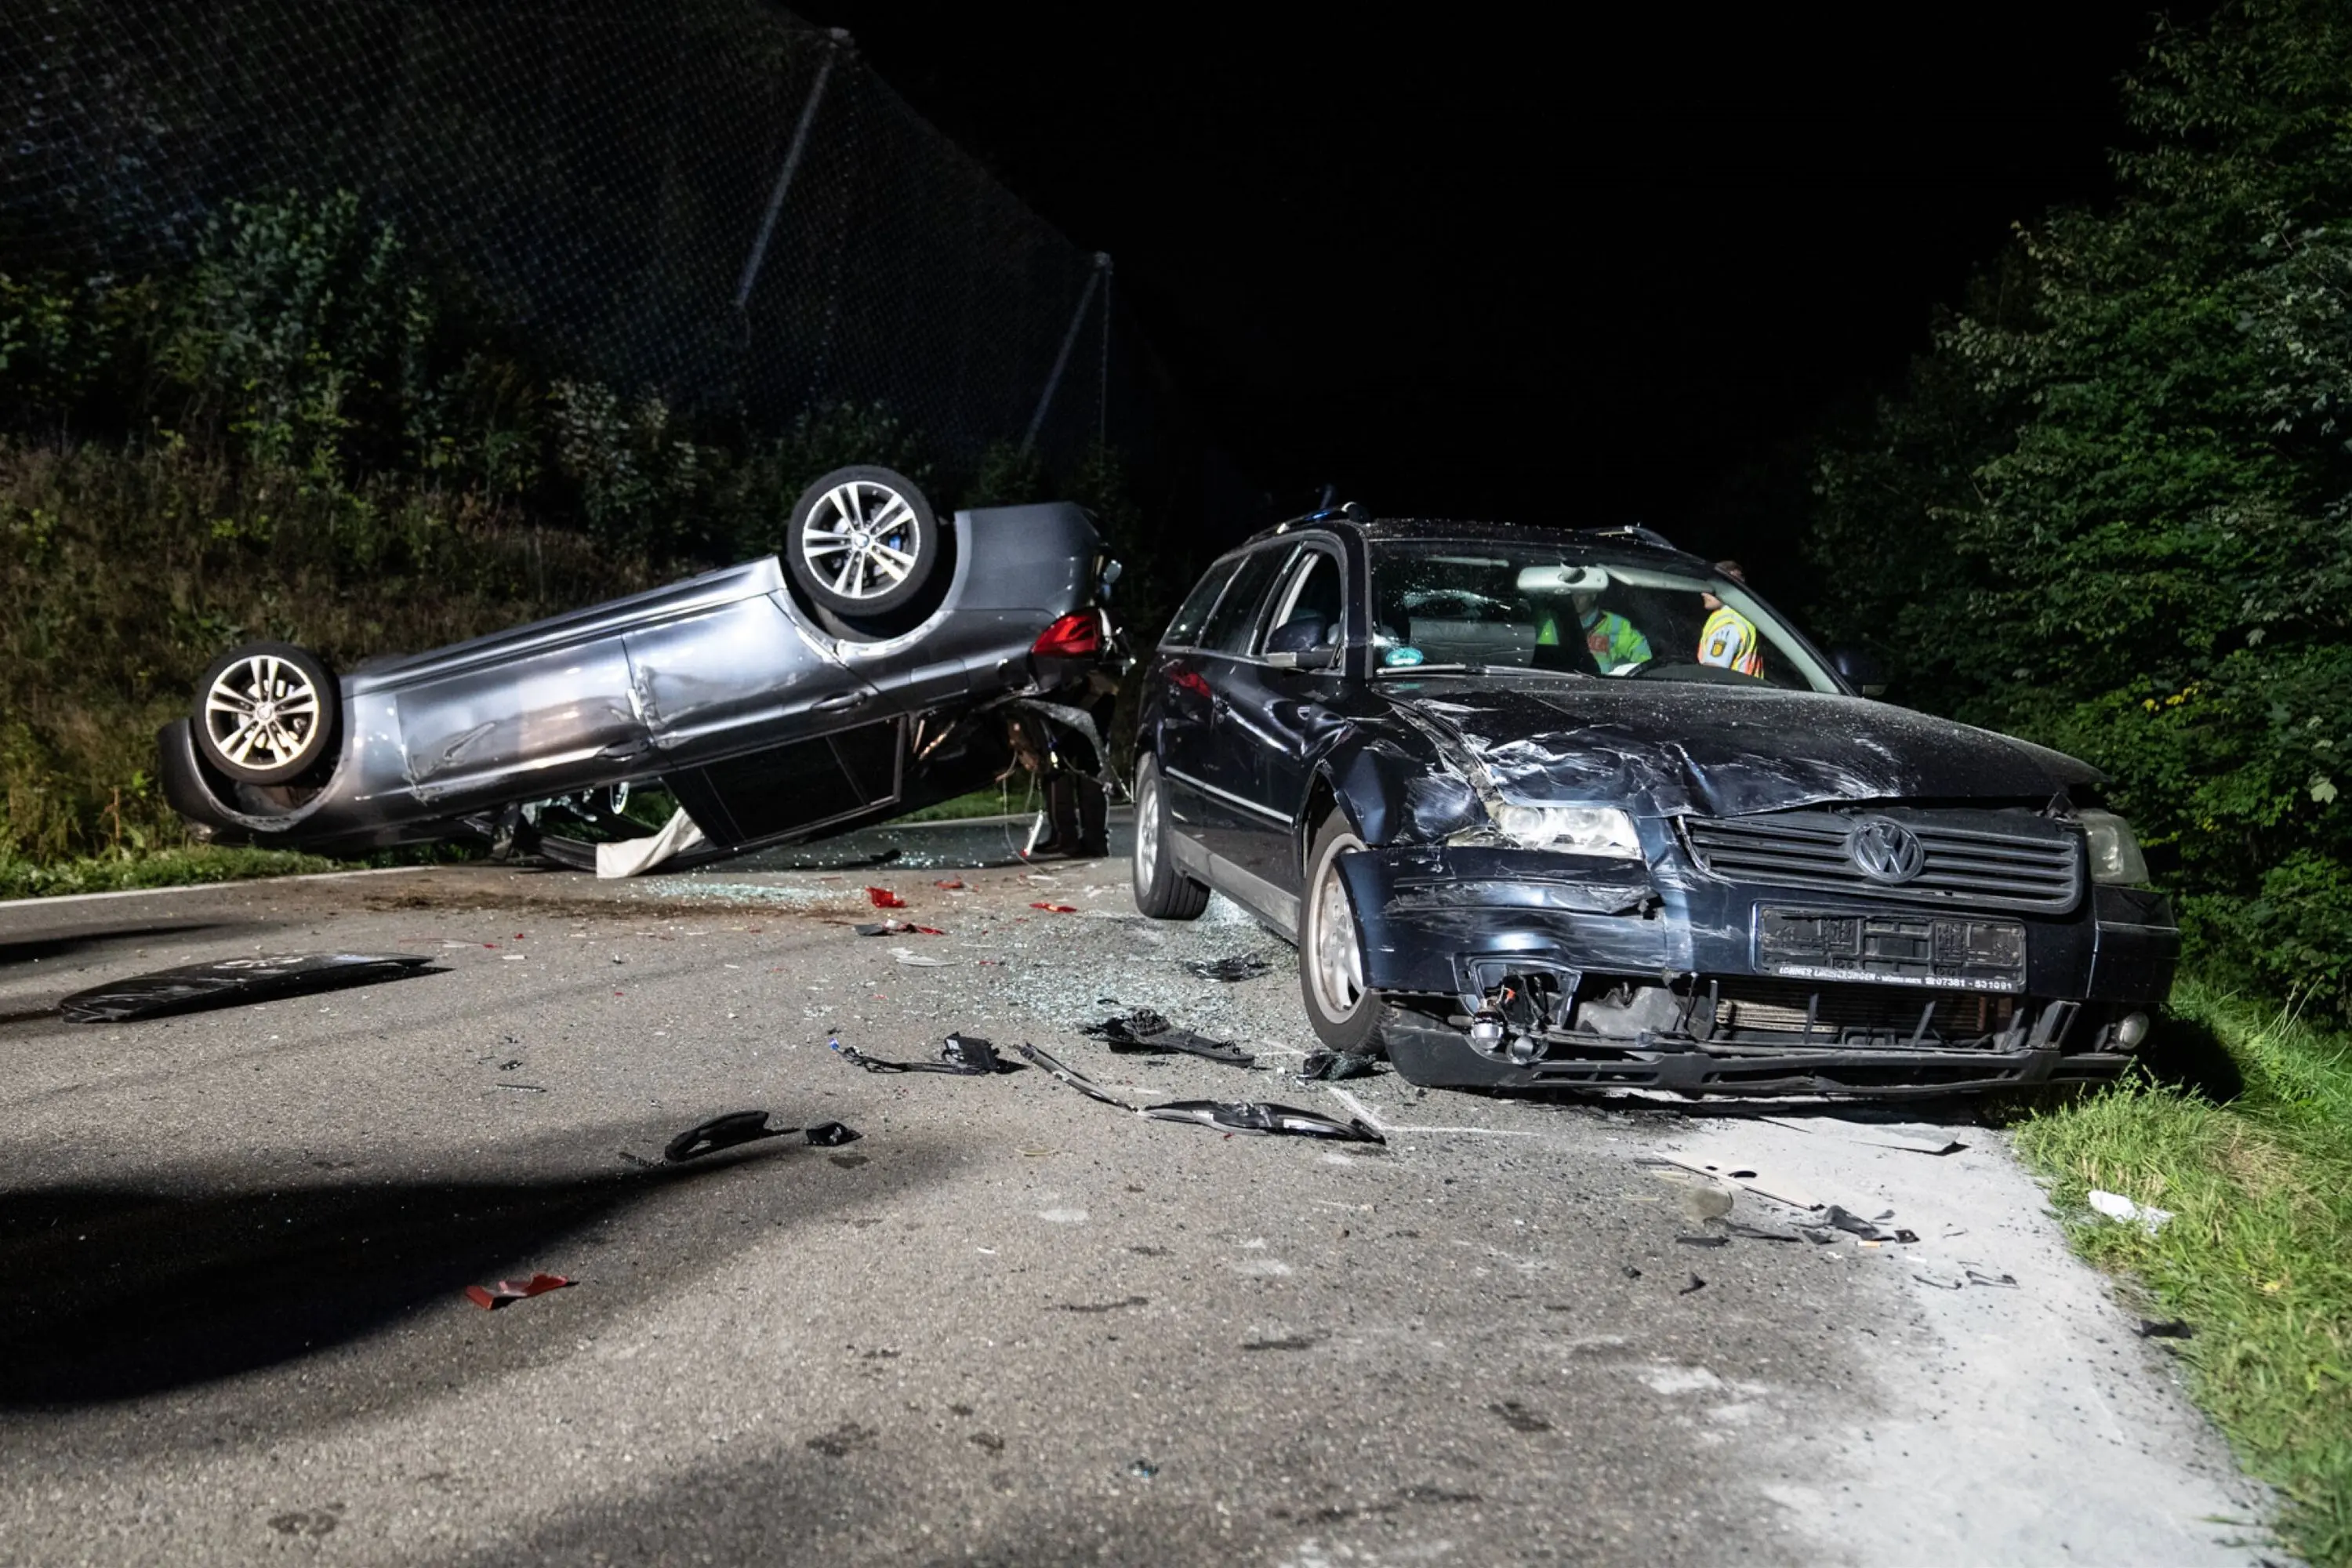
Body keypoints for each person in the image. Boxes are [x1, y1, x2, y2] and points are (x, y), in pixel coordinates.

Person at [1536, 590, 1651, 673]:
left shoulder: (1616, 625)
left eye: (1581, 593)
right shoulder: (1549, 621)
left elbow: (1646, 662)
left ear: (1593, 595)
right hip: (1554, 684)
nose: (1574, 598)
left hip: (1601, 688)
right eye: (1570, 593)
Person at [1697, 561, 1763, 677]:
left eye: (1711, 587)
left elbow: (1713, 674)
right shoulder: (1742, 616)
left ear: (1728, 589)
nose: (1703, 593)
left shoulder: (1728, 625)